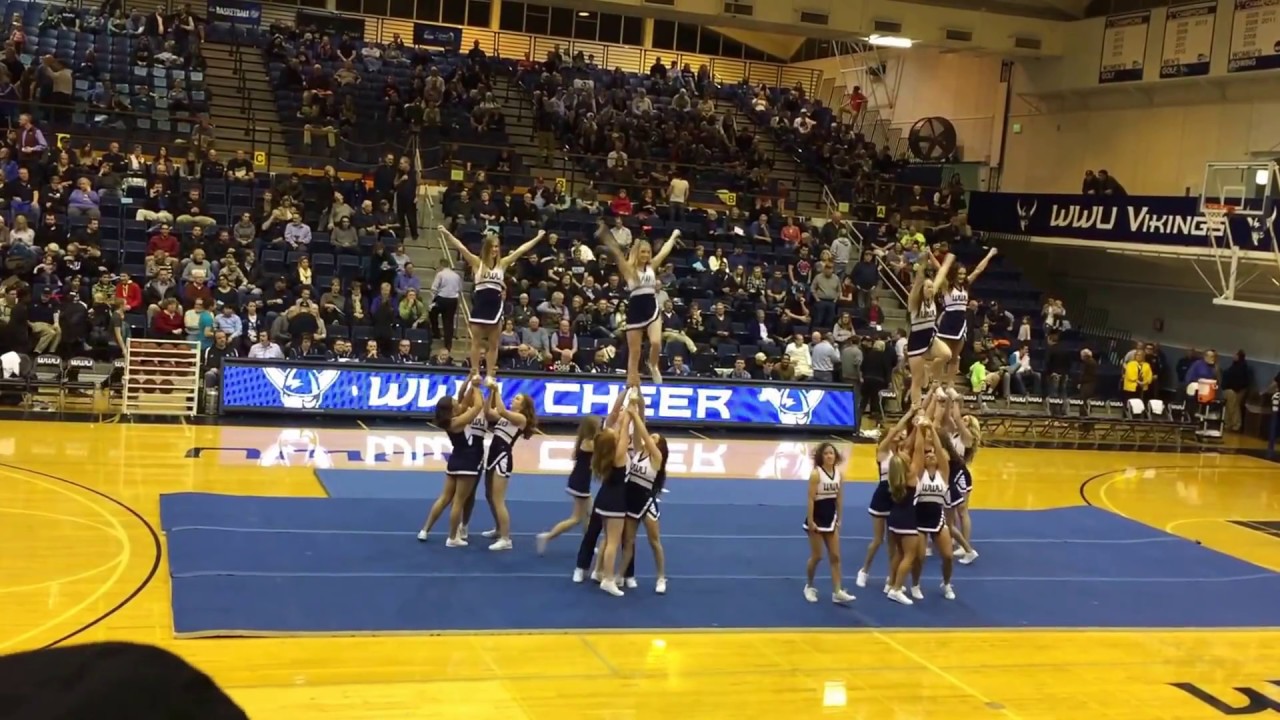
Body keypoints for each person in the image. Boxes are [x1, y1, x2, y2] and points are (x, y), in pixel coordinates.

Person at [439, 226, 544, 381]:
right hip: (480, 305)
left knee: (493, 344)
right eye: (492, 246)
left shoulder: (502, 264)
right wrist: (447, 233)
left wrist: (538, 237)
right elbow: (460, 246)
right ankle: (475, 372)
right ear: (486, 247)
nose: (495, 249)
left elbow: (521, 250)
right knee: (476, 342)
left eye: (497, 246)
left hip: (495, 307)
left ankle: (488, 374)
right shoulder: (477, 263)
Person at [600, 230, 680, 386]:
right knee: (635, 352)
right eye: (643, 251)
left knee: (656, 342)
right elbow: (617, 253)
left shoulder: (652, 266)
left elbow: (664, 251)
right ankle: (631, 380)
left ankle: (653, 364)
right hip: (636, 310)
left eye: (648, 252)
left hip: (652, 307)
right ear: (637, 253)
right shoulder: (629, 269)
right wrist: (607, 238)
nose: (646, 254)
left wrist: (673, 236)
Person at [416, 380, 485, 544]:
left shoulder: (450, 421)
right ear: (452, 409)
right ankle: (453, 537)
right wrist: (476, 387)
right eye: (455, 402)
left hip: (454, 461)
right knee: (459, 501)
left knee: (444, 498)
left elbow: (465, 398)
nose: (458, 402)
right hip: (468, 462)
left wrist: (470, 380)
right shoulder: (457, 422)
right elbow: (477, 407)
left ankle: (425, 530)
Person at [471, 381, 537, 550]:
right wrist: (491, 394)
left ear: (523, 406)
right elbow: (487, 412)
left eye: (517, 399)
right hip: (492, 456)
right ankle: (499, 528)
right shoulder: (505, 416)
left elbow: (500, 410)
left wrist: (496, 389)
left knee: (498, 499)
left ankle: (506, 539)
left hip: (502, 458)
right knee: (488, 495)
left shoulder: (520, 418)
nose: (513, 400)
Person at [572, 391, 630, 584]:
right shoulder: (609, 432)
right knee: (593, 531)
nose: (622, 411)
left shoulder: (626, 433)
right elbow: (614, 411)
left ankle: (612, 572)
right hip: (611, 481)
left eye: (624, 410)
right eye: (621, 409)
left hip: (622, 483)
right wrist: (627, 390)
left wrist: (635, 410)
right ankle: (581, 567)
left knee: (619, 535)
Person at [614, 398, 669, 594]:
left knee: (654, 541)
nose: (650, 438)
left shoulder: (657, 458)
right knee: (628, 541)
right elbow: (640, 432)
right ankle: (620, 575)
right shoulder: (638, 451)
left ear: (659, 446)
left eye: (655, 438)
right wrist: (635, 409)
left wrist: (634, 414)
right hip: (630, 499)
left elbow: (643, 433)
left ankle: (661, 577)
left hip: (646, 502)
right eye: (651, 436)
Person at [856, 410, 917, 590]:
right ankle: (864, 571)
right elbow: (895, 430)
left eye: (899, 434)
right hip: (881, 498)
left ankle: (891, 580)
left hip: (896, 498)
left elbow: (913, 437)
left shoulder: (902, 453)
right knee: (877, 540)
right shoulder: (882, 452)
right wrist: (909, 413)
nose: (899, 435)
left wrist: (919, 418)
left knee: (893, 544)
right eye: (895, 434)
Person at [586, 392, 635, 597]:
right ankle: (607, 579)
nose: (617, 435)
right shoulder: (618, 456)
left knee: (607, 539)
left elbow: (616, 428)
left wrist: (625, 400)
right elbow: (624, 432)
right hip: (615, 501)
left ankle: (598, 572)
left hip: (604, 498)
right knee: (613, 542)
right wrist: (629, 414)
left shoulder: (604, 454)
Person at [906, 409, 957, 601]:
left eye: (933, 454)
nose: (930, 455)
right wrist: (920, 428)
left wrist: (932, 430)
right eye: (927, 454)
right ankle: (915, 584)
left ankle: (946, 583)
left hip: (937, 518)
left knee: (948, 556)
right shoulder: (919, 473)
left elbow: (940, 450)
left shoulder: (943, 473)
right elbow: (918, 451)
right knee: (918, 557)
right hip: (919, 518)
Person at [933, 248, 997, 388]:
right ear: (954, 273)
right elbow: (939, 269)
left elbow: (978, 270)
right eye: (959, 273)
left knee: (955, 357)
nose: (962, 276)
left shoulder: (966, 285)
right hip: (947, 320)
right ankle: (936, 382)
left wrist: (990, 255)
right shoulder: (946, 286)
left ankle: (950, 384)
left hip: (961, 321)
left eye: (963, 273)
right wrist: (930, 255)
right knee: (944, 355)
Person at [536, 416, 601, 553]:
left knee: (590, 514)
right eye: (599, 425)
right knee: (576, 518)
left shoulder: (584, 441)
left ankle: (588, 544)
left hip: (579, 481)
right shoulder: (590, 443)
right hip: (580, 483)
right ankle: (547, 536)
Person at [802, 442, 857, 604]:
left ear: (836, 456)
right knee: (817, 556)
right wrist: (811, 520)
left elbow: (839, 498)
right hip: (817, 519)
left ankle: (837, 591)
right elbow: (811, 498)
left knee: (835, 556)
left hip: (830, 519)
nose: (829, 456)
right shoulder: (816, 474)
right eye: (825, 453)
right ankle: (809, 586)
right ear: (821, 456)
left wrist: (839, 517)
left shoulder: (839, 474)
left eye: (831, 453)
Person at [905, 253, 953, 409]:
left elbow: (941, 274)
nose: (931, 289)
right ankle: (916, 409)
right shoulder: (914, 301)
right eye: (928, 287)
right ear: (922, 289)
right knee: (917, 381)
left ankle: (933, 379)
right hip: (916, 342)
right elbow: (919, 280)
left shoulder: (932, 298)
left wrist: (947, 260)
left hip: (930, 338)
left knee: (947, 354)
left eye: (932, 287)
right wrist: (923, 262)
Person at [885, 422, 922, 606]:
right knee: (909, 556)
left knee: (899, 554)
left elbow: (910, 449)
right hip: (907, 520)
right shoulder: (911, 477)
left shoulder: (894, 476)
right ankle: (897, 589)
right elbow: (919, 452)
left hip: (894, 519)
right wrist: (922, 430)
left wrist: (915, 428)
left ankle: (891, 583)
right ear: (906, 463)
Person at [942, 389, 982, 565]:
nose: (961, 420)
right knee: (951, 510)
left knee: (962, 510)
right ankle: (955, 540)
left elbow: (956, 418)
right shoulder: (954, 434)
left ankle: (965, 544)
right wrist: (949, 401)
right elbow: (948, 417)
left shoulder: (968, 437)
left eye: (967, 420)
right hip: (950, 473)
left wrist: (957, 399)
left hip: (960, 475)